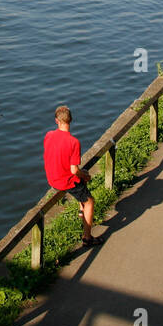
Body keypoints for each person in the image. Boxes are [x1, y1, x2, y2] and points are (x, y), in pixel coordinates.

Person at [42, 105, 95, 245]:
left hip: (51, 177)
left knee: (81, 176)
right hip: (65, 181)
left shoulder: (48, 135)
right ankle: (87, 238)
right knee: (90, 201)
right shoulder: (73, 142)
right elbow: (73, 171)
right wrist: (84, 175)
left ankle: (80, 211)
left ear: (56, 121)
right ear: (70, 120)